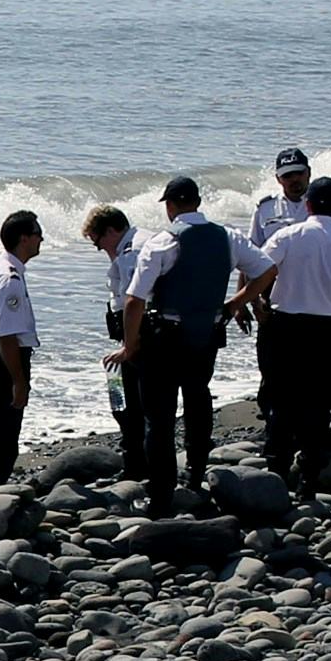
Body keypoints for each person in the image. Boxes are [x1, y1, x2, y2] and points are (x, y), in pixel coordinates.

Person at [121, 175, 271, 498]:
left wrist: (129, 343)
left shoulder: (163, 241)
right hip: (206, 333)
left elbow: (134, 301)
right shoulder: (227, 237)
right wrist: (234, 304)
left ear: (170, 206)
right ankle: (196, 474)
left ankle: (162, 492)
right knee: (198, 399)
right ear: (199, 203)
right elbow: (268, 269)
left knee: (159, 416)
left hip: (165, 336)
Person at [254, 174, 331, 486]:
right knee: (318, 403)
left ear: (307, 204)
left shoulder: (288, 236)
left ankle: (277, 469)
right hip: (327, 331)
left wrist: (252, 304)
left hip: (285, 327)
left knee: (280, 397)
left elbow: (259, 269)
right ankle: (310, 474)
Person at [81, 206, 159, 485]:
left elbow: (136, 302)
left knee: (126, 405)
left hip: (139, 339)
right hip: (137, 334)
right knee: (137, 404)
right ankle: (139, 463)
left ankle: (137, 467)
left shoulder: (131, 254)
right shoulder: (142, 241)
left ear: (112, 231)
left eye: (98, 241)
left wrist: (128, 345)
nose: (99, 249)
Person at [0, 209, 42, 487]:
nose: (42, 240)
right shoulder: (9, 277)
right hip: (3, 361)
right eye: (38, 234)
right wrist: (19, 382)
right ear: (23, 238)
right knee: (3, 442)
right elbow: (7, 337)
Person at [249, 145, 331, 250]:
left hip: (320, 275)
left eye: (299, 173)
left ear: (309, 172)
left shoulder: (330, 194)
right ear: (278, 179)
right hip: (278, 277)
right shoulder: (265, 207)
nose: (294, 179)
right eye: (287, 175)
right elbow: (252, 251)